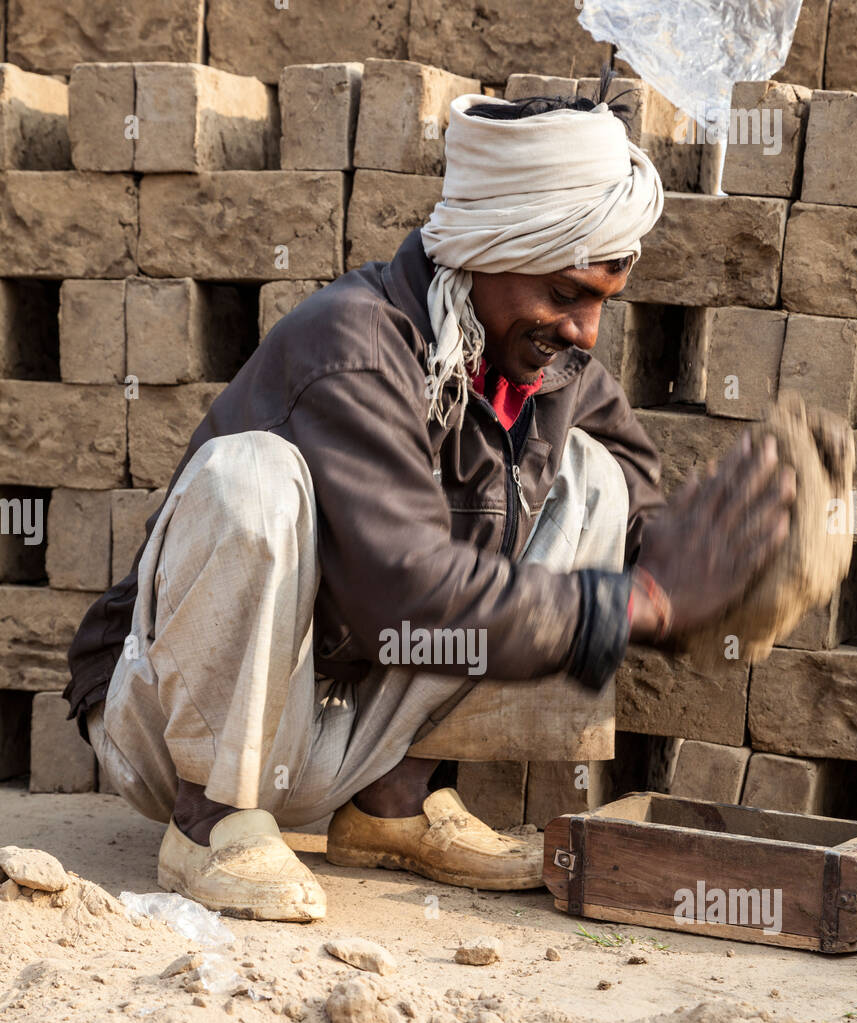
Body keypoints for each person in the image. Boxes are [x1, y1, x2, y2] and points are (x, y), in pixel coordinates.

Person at [63, 75, 794, 921]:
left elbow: (640, 526)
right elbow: (408, 593)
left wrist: (726, 572)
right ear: (490, 248)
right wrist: (645, 605)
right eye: (565, 294)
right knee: (250, 478)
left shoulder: (553, 375)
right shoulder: (354, 343)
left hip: (343, 736)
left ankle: (391, 810)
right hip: (173, 734)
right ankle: (209, 825)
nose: (586, 332)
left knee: (591, 480)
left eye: (600, 303)